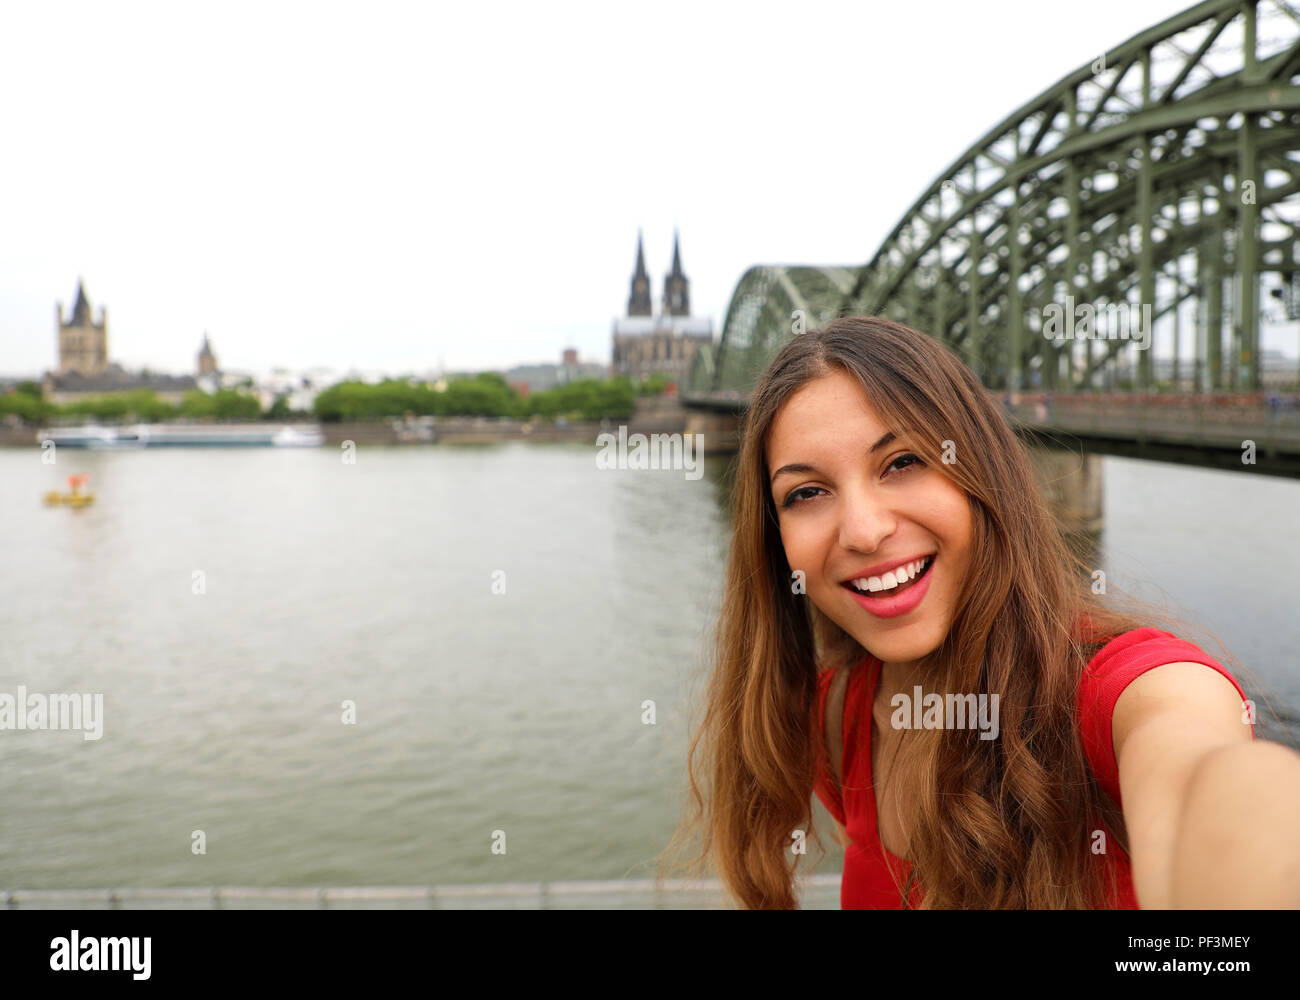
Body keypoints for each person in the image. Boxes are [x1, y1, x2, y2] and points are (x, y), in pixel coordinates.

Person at [662, 315, 1300, 909]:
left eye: (904, 461)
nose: (862, 530)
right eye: (806, 492)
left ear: (984, 471)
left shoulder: (1127, 691)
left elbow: (1205, 780)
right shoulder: (835, 718)